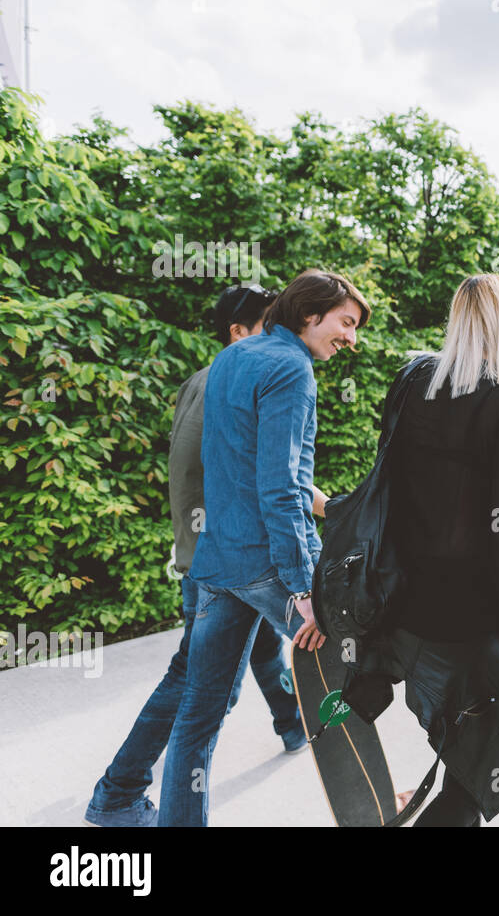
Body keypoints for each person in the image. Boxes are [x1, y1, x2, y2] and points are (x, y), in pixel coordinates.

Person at [84, 284, 308, 828]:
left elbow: (196, 471)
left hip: (209, 554)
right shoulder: (241, 376)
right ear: (240, 332)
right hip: (227, 560)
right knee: (199, 686)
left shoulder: (201, 379)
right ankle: (118, 791)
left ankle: (292, 721)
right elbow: (261, 479)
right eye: (270, 323)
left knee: (259, 651)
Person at [157, 269, 369, 827]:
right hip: (266, 565)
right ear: (309, 315)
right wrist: (304, 587)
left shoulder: (232, 358)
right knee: (350, 667)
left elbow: (230, 468)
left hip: (215, 562)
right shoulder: (292, 370)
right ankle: (370, 801)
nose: (353, 338)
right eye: (346, 323)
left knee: (197, 718)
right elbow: (281, 487)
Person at [362, 273, 499, 827]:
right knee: (483, 774)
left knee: (470, 763)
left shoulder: (412, 379)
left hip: (399, 607)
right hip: (466, 622)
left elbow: (385, 489)